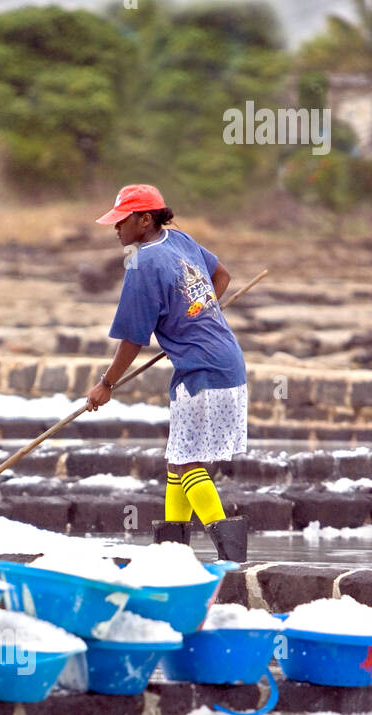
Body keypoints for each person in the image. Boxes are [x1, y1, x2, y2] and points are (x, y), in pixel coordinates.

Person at [86, 183, 249, 562]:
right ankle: (172, 554)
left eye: (122, 221)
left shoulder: (142, 264)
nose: (116, 229)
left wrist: (105, 384)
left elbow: (132, 339)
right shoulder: (180, 240)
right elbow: (220, 277)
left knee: (189, 462)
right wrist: (195, 315)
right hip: (224, 361)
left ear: (145, 220)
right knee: (177, 459)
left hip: (203, 370)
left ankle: (232, 556)